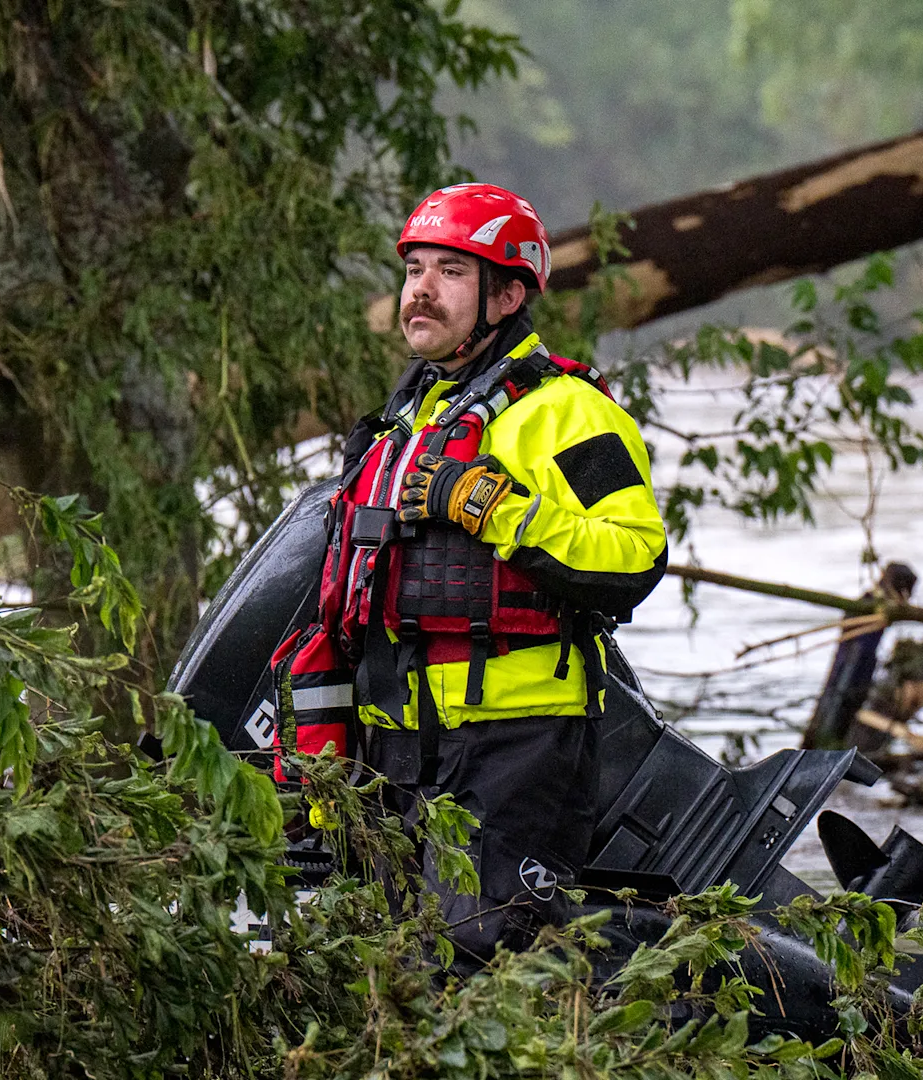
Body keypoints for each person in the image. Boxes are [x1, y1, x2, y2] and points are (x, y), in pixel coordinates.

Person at [271, 182, 667, 966]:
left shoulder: (567, 412)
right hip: (394, 746)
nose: (421, 289)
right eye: (414, 269)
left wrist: (492, 507)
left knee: (476, 966)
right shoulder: (405, 422)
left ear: (507, 295)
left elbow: (633, 556)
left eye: (451, 271)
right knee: (389, 969)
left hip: (513, 747)